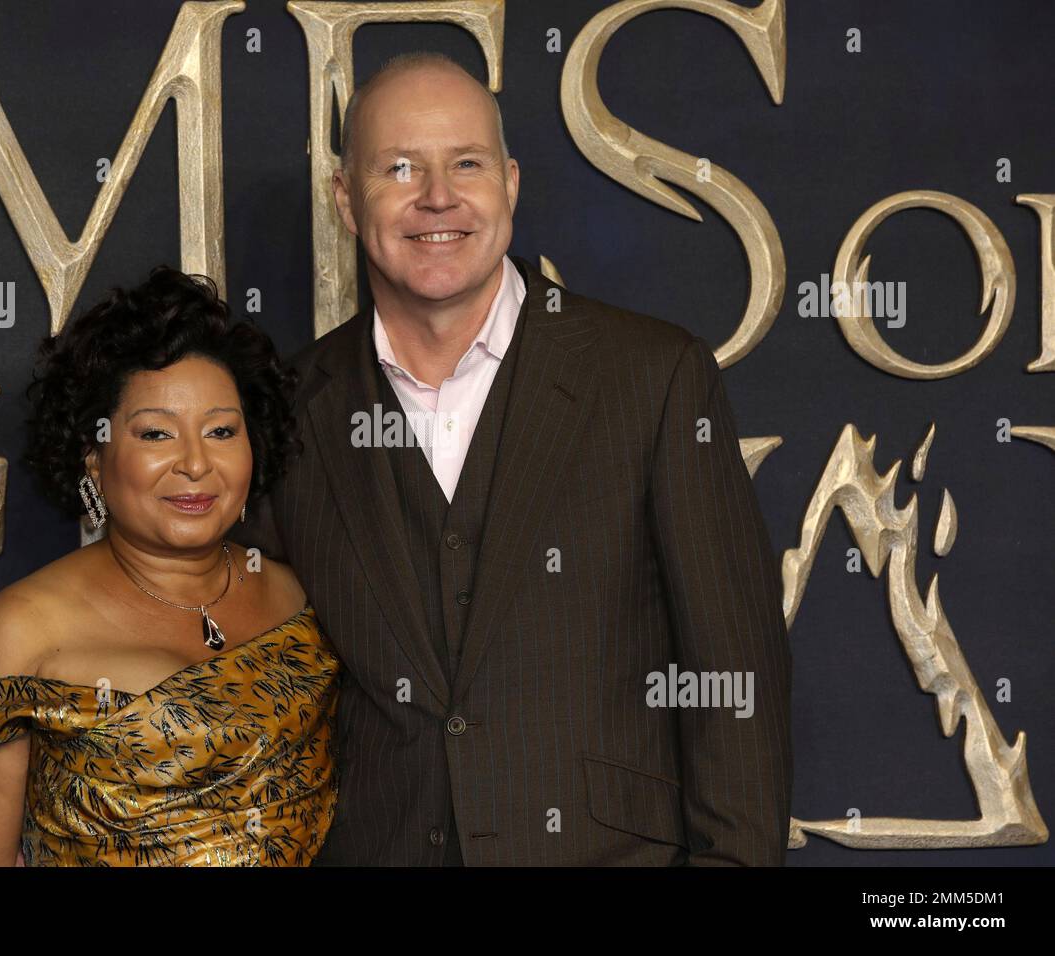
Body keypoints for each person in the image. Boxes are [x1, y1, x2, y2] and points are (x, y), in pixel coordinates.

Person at [231, 51, 794, 865]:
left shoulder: (653, 377)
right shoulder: (288, 410)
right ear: (346, 200)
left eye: (467, 163)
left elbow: (733, 679)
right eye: (399, 168)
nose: (437, 197)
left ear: (512, 184)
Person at [0, 267, 340, 866]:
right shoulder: (24, 630)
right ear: (94, 457)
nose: (195, 463)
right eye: (157, 434)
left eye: (221, 431)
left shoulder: (298, 595)